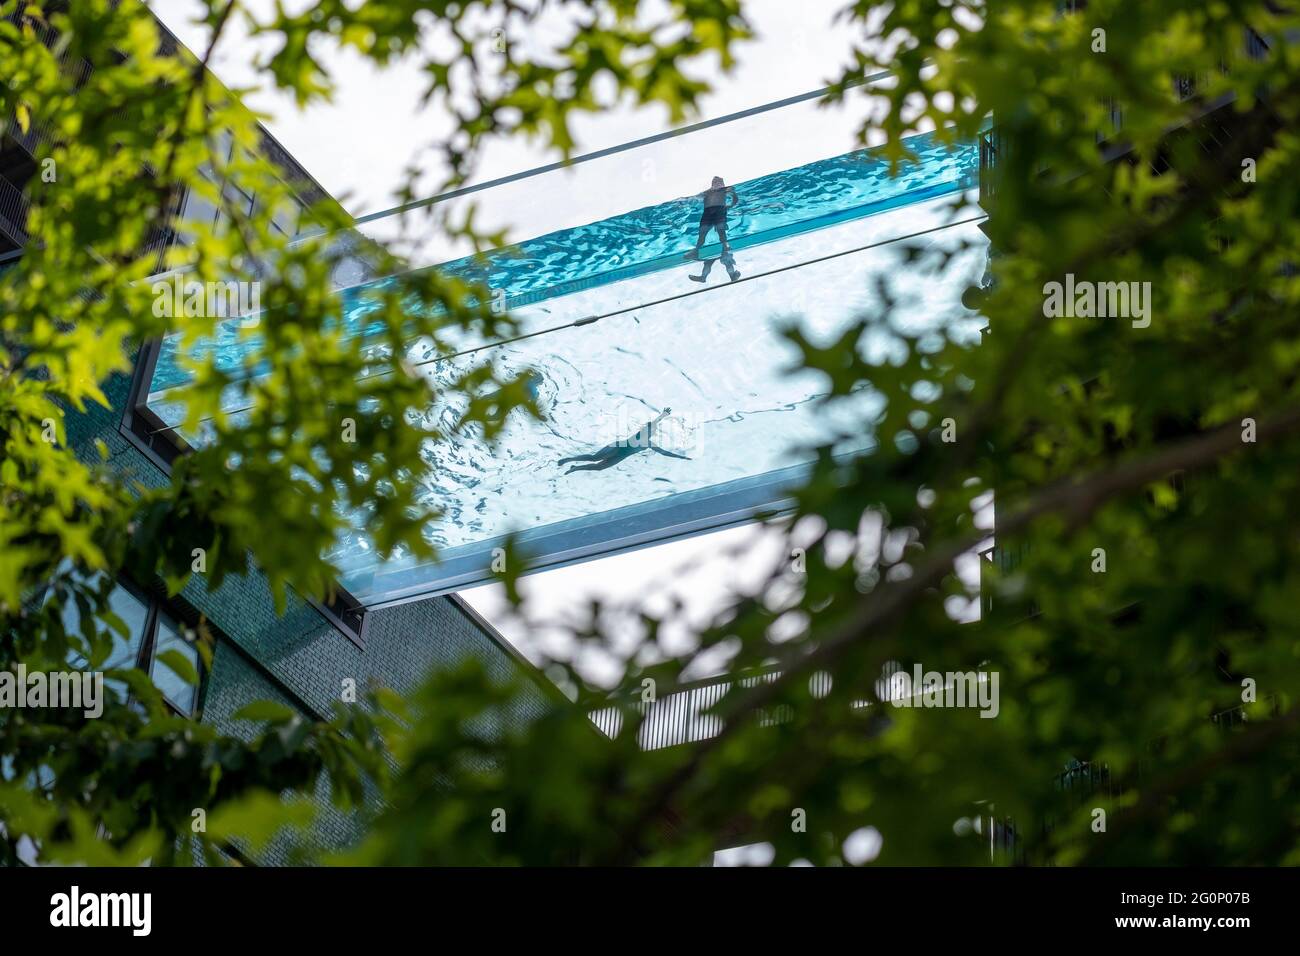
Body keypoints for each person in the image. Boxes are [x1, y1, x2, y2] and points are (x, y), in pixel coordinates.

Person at [558, 408, 691, 474]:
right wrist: (663, 415)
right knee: (595, 458)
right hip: (618, 447)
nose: (650, 432)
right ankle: (568, 459)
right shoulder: (643, 433)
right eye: (650, 430)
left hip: (622, 455)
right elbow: (653, 423)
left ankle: (575, 468)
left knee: (599, 467)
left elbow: (665, 453)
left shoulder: (650, 444)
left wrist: (681, 457)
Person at [686, 176, 738, 259]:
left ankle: (726, 246)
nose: (719, 184)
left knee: (721, 231)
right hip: (707, 214)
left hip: (719, 212)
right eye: (716, 182)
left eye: (720, 183)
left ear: (723, 184)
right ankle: (696, 251)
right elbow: (696, 198)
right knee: (702, 234)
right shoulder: (707, 192)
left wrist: (730, 205)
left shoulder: (725, 190)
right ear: (712, 184)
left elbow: (735, 199)